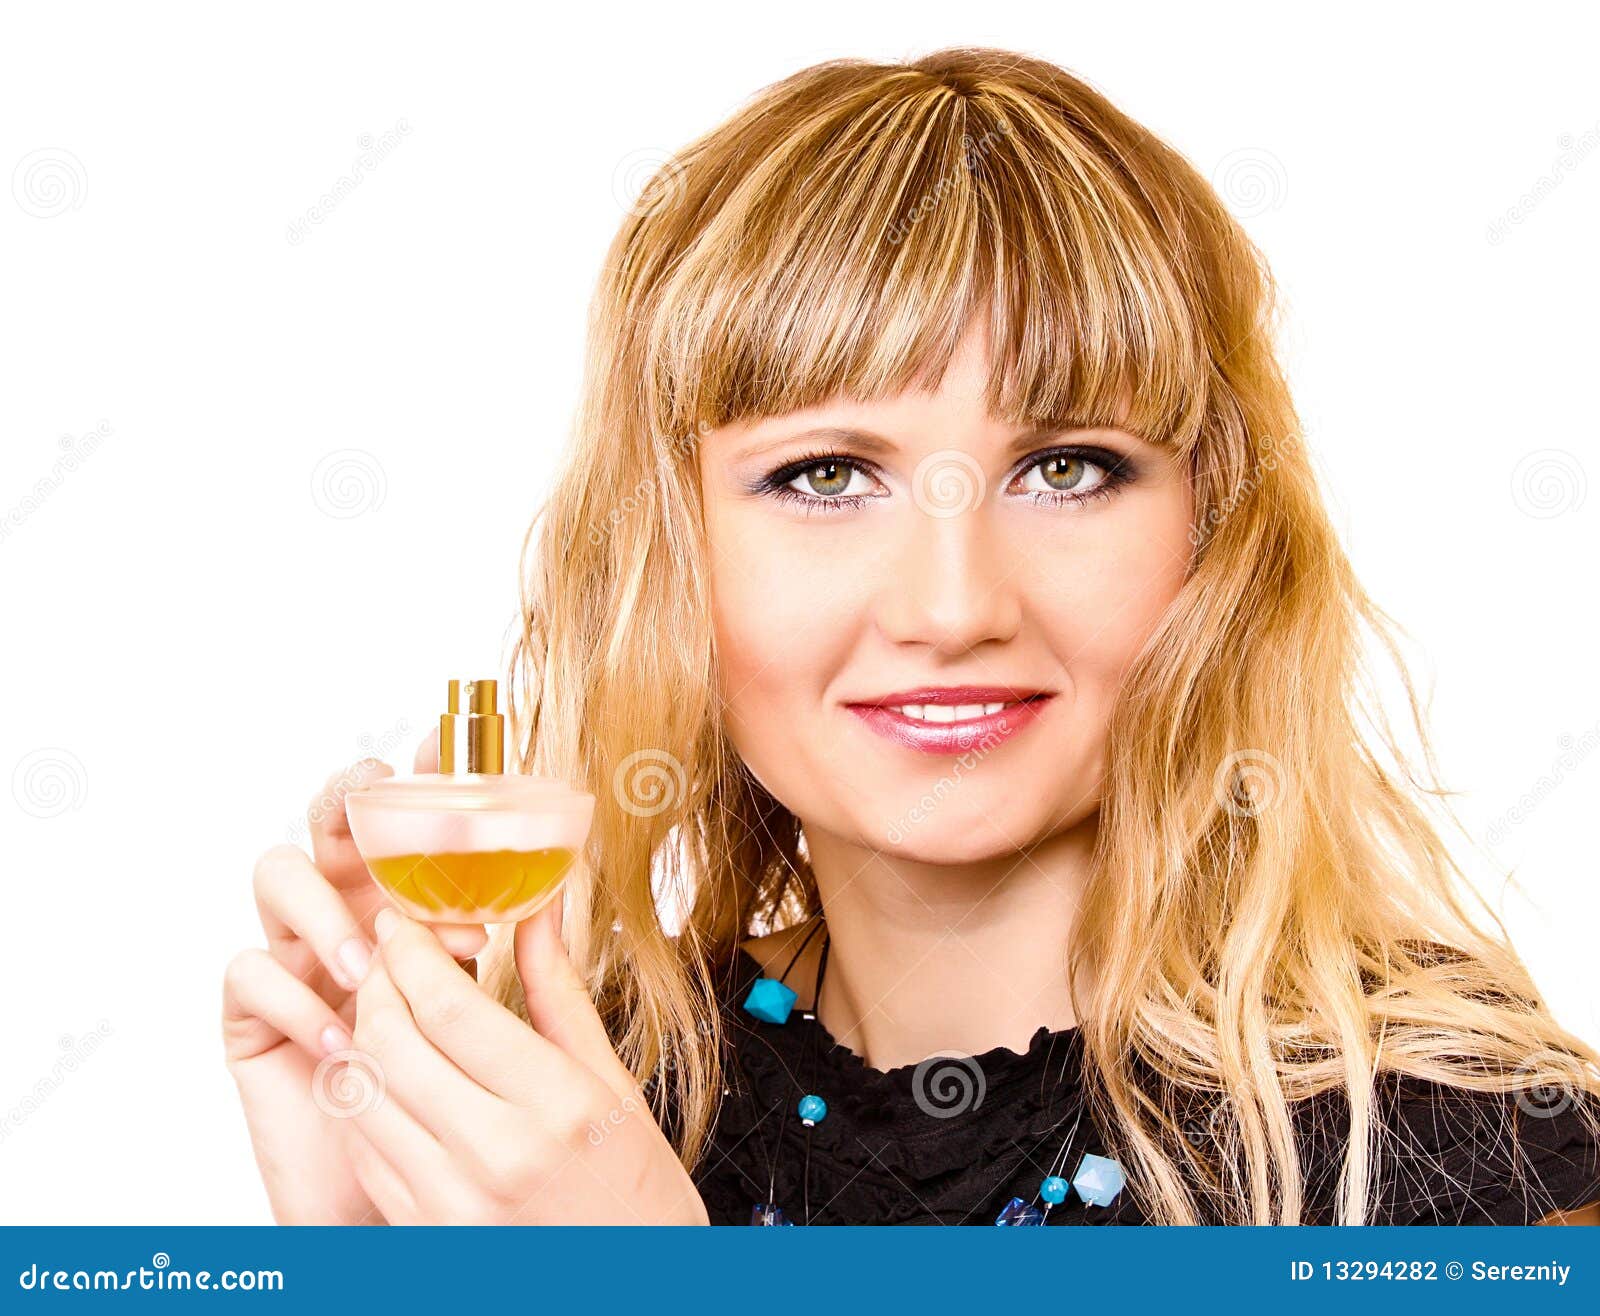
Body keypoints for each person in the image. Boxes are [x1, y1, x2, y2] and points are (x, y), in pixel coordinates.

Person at [223, 46, 1600, 1226]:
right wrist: (369, 1259)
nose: (952, 608)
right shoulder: (585, 1110)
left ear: (1214, 532)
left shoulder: (1445, 1148)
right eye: (826, 475)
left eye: (1066, 467)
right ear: (669, 550)